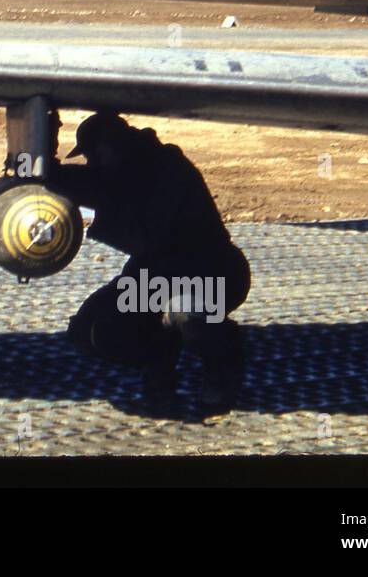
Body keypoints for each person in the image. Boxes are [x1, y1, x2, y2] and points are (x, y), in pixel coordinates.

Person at [54, 112, 250, 408]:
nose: (90, 164)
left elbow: (144, 232)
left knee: (187, 313)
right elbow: (93, 184)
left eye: (93, 155)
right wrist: (44, 171)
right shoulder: (125, 172)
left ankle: (223, 362)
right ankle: (161, 359)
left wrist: (95, 213)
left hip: (213, 272)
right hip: (159, 277)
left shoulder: (167, 170)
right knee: (91, 329)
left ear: (109, 147)